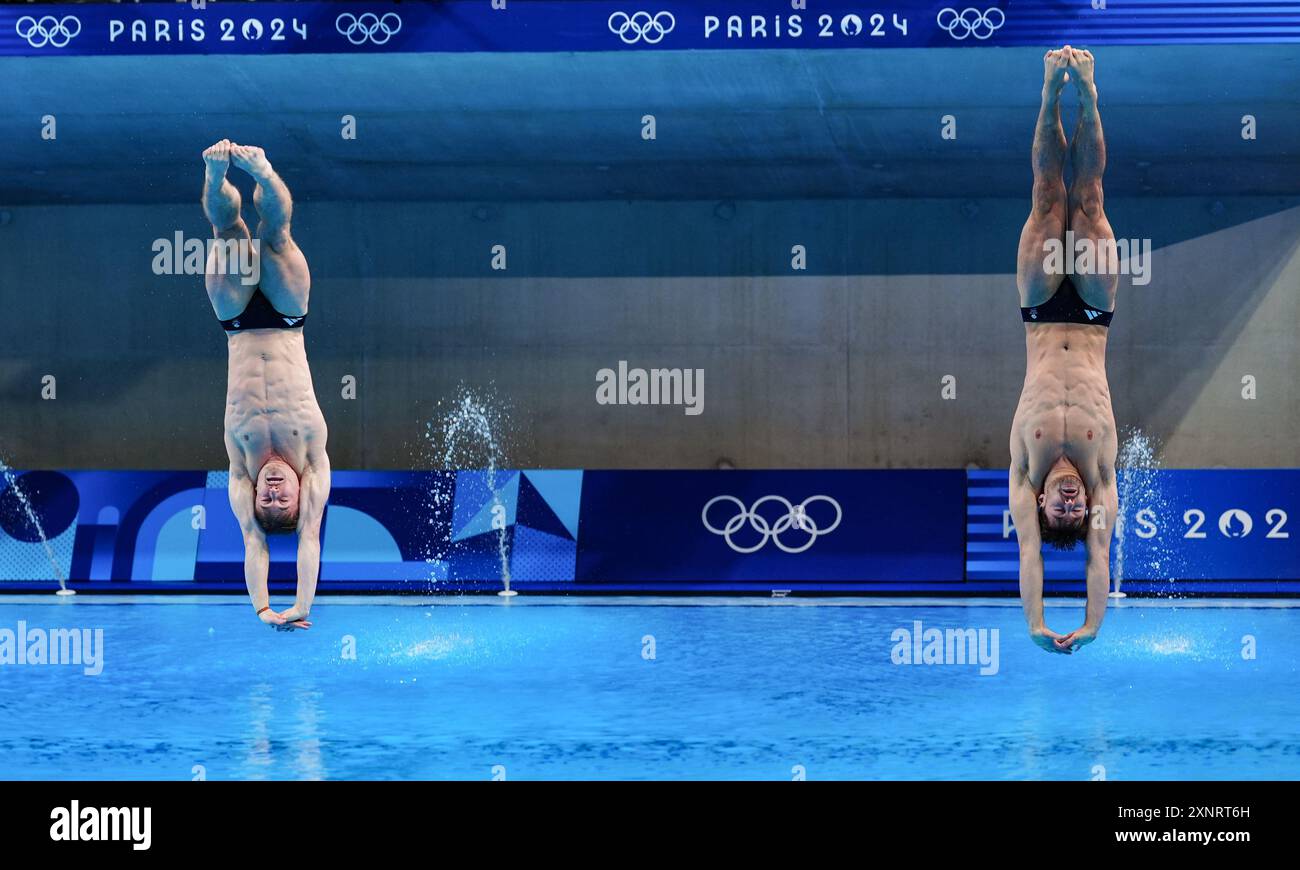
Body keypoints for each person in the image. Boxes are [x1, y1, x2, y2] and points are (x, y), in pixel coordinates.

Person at [1009, 48, 1118, 654]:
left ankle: (1052, 91)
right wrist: (1092, 626)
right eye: (1077, 514)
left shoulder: (1024, 471)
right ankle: (1093, 94)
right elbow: (1098, 558)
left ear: (1043, 504)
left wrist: (1036, 624)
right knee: (1092, 199)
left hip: (1040, 313)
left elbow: (1031, 556)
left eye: (1062, 512)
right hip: (1096, 316)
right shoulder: (1101, 477)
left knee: (1049, 198)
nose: (1073, 506)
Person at [202, 139, 329, 630]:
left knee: (228, 232)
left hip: (235, 322)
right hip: (288, 318)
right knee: (276, 234)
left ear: (253, 497)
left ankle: (215, 178)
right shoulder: (312, 462)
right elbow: (310, 540)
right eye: (284, 500)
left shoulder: (241, 469)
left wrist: (262, 609)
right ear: (302, 494)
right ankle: (263, 169)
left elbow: (254, 541)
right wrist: (300, 606)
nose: (273, 492)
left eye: (266, 500)